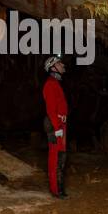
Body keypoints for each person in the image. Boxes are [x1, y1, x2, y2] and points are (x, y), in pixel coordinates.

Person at [42, 56, 68, 198]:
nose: (62, 65)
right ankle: (56, 190)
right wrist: (56, 127)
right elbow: (51, 109)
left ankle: (59, 188)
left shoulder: (56, 83)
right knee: (55, 157)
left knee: (61, 157)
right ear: (53, 68)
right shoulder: (50, 84)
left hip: (60, 124)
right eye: (59, 63)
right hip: (55, 125)